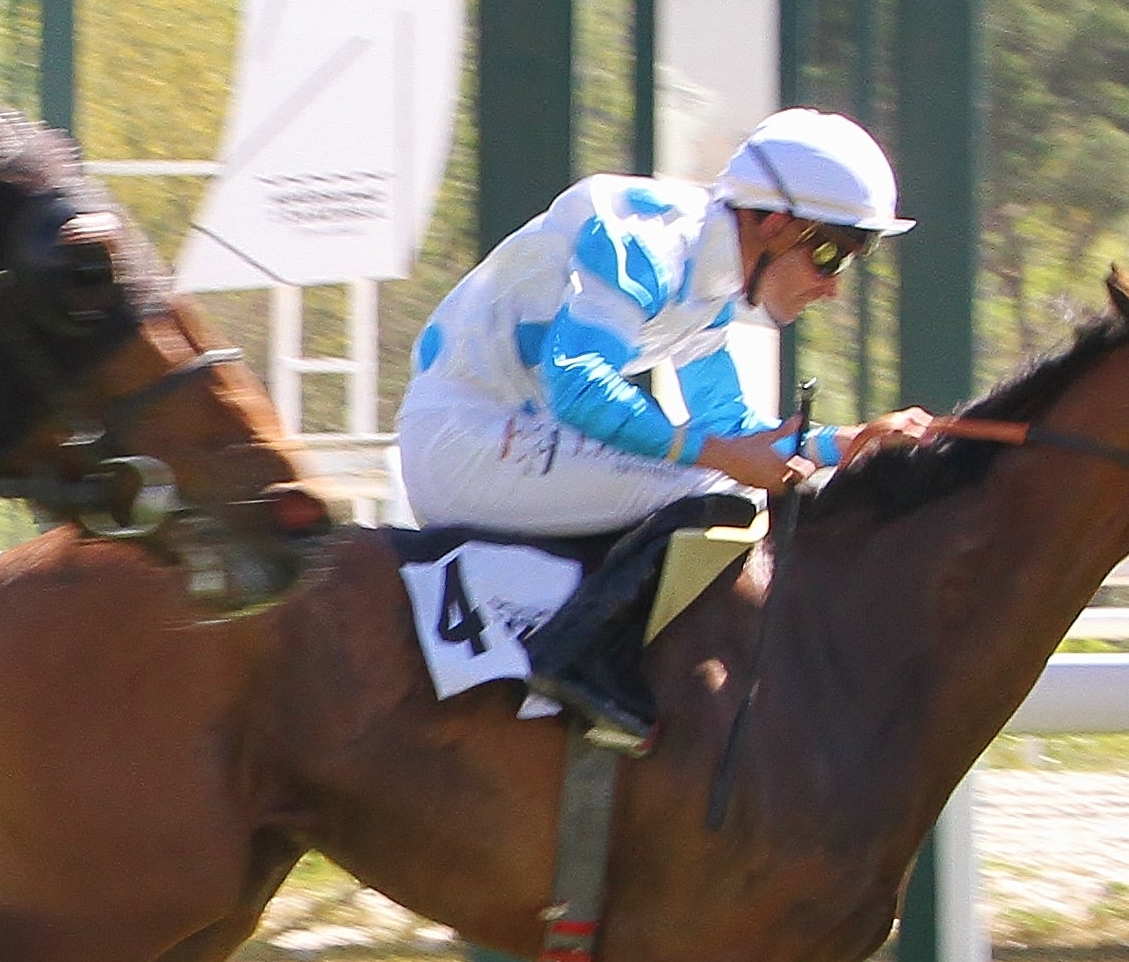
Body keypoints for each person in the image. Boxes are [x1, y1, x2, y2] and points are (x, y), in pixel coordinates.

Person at [390, 106, 937, 743]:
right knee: (714, 487)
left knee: (722, 477)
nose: (832, 286)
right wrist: (724, 458)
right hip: (468, 439)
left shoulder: (708, 280)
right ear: (772, 222)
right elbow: (578, 384)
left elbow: (731, 426)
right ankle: (579, 660)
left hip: (508, 434)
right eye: (828, 254)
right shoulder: (647, 244)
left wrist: (849, 442)